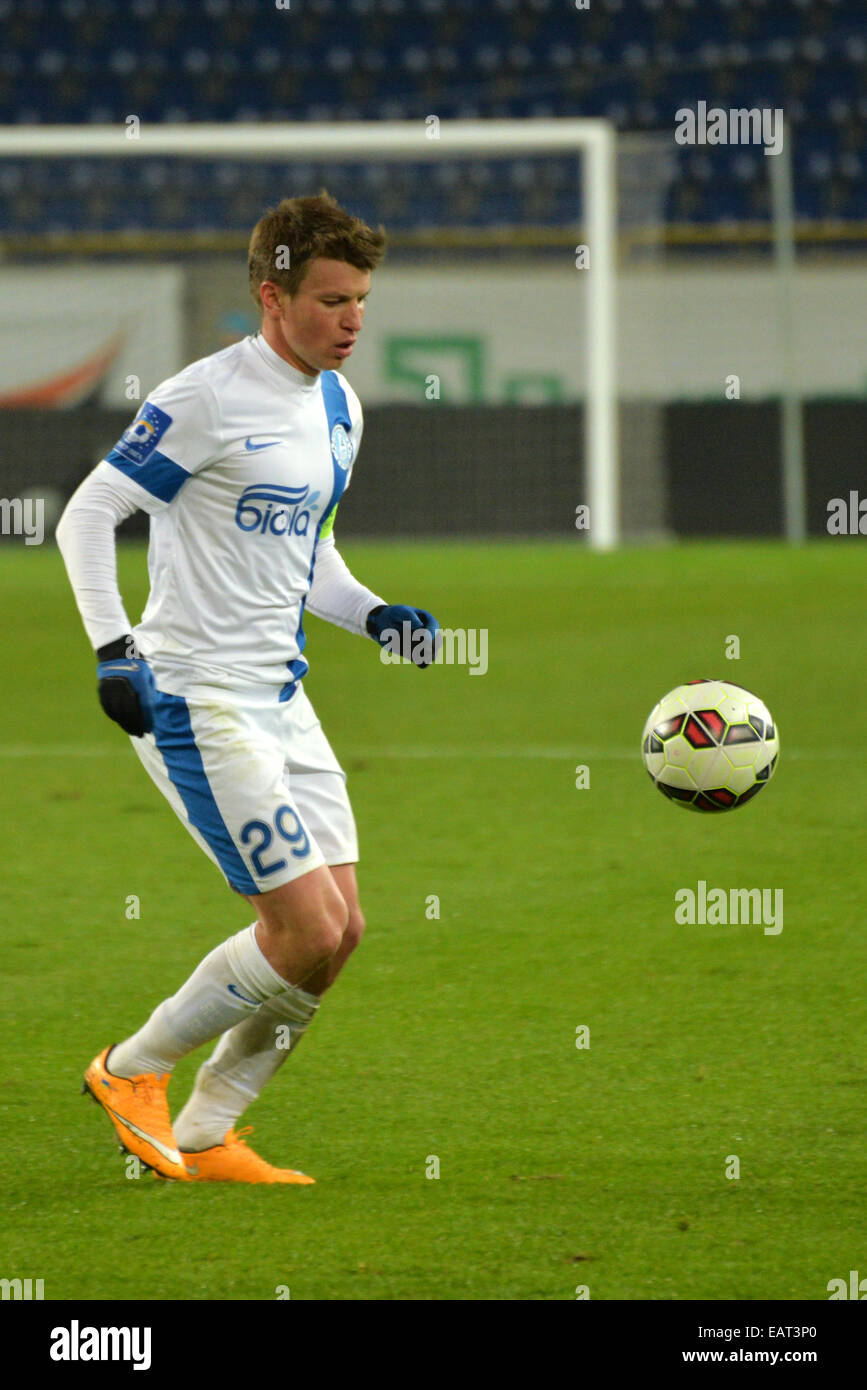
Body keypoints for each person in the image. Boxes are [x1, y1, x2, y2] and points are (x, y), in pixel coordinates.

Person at [56, 192, 439, 1184]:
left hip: (283, 694)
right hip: (193, 693)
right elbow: (87, 517)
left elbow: (310, 552)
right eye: (330, 300)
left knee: (340, 932)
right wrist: (114, 649)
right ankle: (131, 1067)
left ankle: (206, 1127)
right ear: (272, 298)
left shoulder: (339, 405)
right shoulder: (206, 396)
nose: (353, 320)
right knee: (300, 926)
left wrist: (377, 614)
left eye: (361, 300)